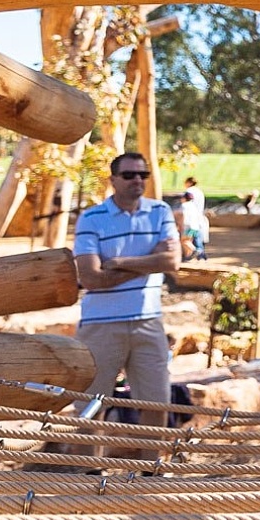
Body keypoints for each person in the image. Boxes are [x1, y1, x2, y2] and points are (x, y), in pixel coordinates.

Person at [71, 152, 179, 442]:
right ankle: (89, 477)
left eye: (143, 175)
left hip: (149, 321)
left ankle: (149, 475)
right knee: (90, 406)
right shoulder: (91, 218)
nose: (137, 181)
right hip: (101, 324)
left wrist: (119, 263)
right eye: (129, 175)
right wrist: (148, 261)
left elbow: (171, 262)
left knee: (157, 403)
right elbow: (91, 278)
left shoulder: (160, 212)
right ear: (113, 180)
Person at [178, 176, 208, 260]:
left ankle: (197, 252)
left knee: (188, 239)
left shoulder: (189, 192)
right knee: (197, 237)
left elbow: (183, 214)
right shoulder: (199, 191)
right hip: (198, 216)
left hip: (189, 219)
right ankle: (198, 254)